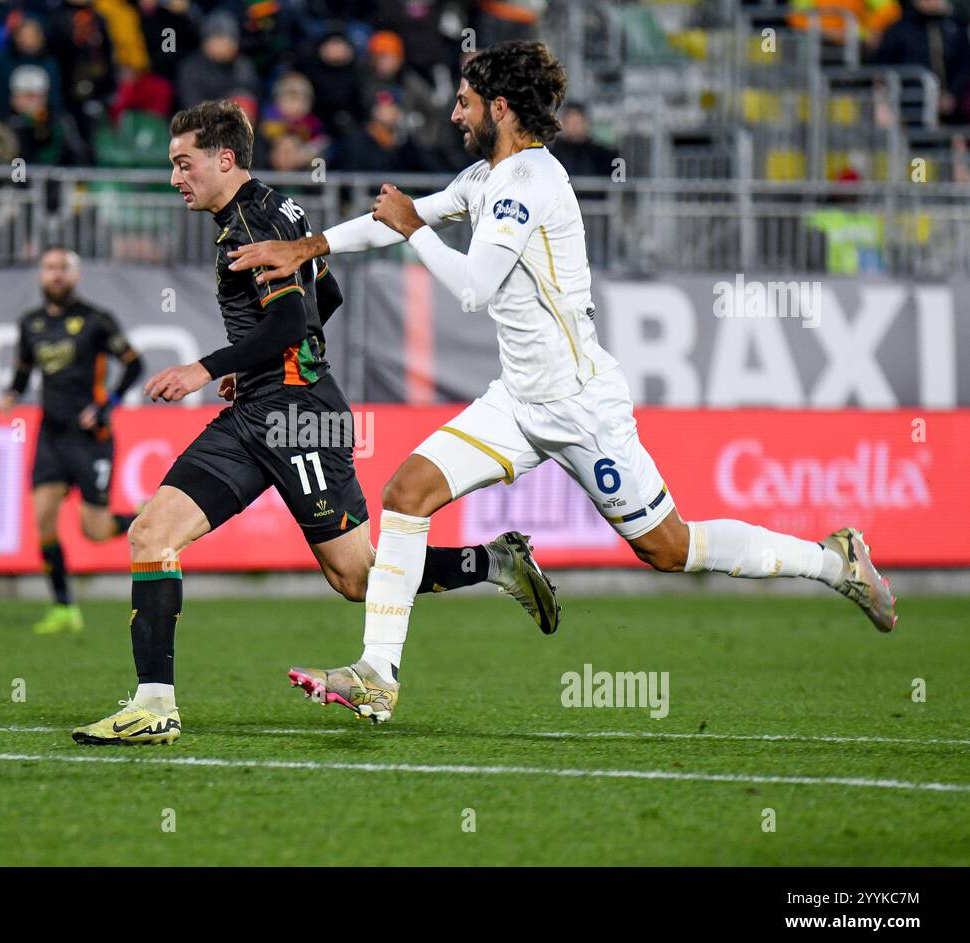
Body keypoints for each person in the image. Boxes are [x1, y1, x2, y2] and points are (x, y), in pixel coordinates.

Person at [229, 41, 898, 725]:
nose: (455, 113)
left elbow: (473, 288)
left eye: (464, 102)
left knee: (669, 548)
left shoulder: (530, 184)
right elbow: (397, 219)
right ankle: (377, 673)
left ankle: (832, 561)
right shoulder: (485, 178)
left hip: (581, 409)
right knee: (407, 492)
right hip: (517, 402)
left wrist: (414, 234)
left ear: (500, 107)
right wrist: (309, 247)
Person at [70, 99, 558, 746]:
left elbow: (291, 320)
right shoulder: (275, 210)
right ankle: (154, 705)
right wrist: (263, 363)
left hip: (300, 419)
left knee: (356, 579)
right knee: (152, 533)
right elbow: (324, 295)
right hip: (256, 412)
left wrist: (205, 367)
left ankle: (493, 562)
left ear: (224, 159)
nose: (174, 179)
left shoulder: (250, 222)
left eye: (183, 164)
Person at [1, 247, 146, 636]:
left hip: (90, 438)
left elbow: (134, 364)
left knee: (94, 531)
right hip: (50, 434)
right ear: (40, 275)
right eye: (49, 268)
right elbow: (24, 369)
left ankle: (147, 517)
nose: (56, 275)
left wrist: (107, 406)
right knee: (43, 520)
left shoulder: (96, 321)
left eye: (63, 268)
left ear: (76, 275)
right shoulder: (29, 324)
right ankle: (65, 607)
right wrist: (12, 393)